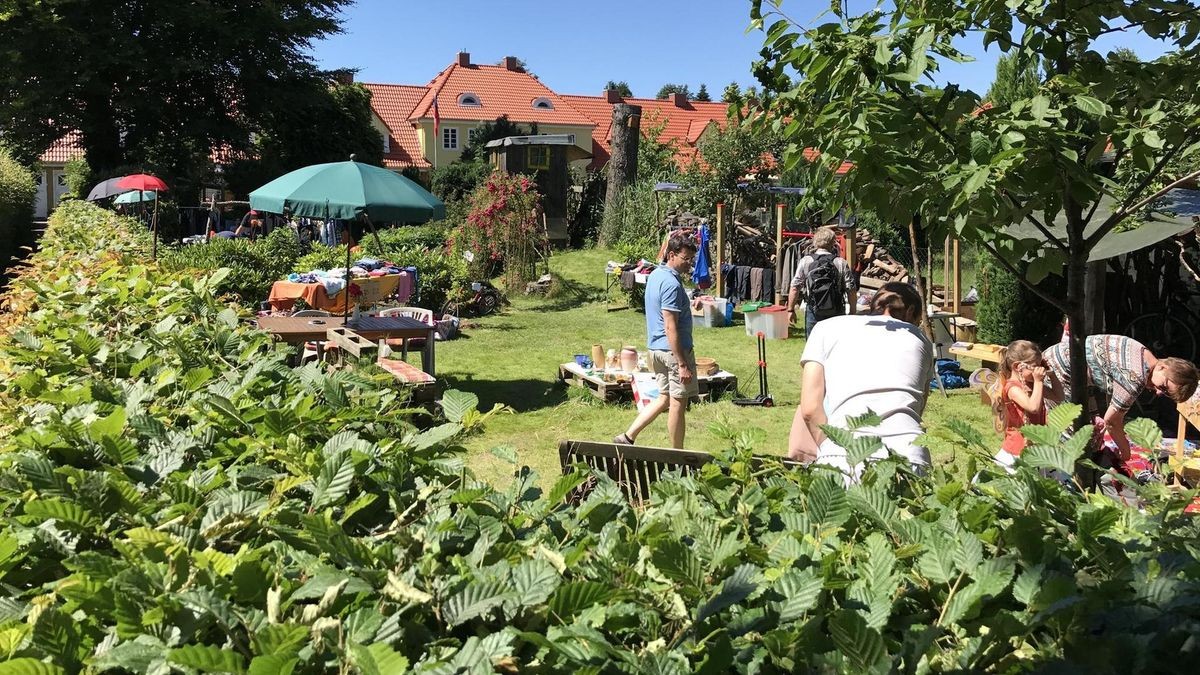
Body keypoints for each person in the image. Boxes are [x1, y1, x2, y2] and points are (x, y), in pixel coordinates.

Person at [788, 282, 932, 475]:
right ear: (911, 311)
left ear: (873, 306)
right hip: (909, 453)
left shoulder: (825, 328)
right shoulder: (921, 340)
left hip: (844, 453)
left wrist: (832, 447)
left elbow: (809, 409)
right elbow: (918, 407)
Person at [1045, 330, 1198, 461]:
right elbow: (1111, 421)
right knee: (1075, 441)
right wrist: (1126, 453)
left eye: (1165, 393)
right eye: (1164, 387)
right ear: (1163, 367)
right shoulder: (1136, 377)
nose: (1158, 392)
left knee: (1092, 432)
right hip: (1058, 373)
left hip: (1065, 364)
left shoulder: (1143, 353)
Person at [614, 235, 702, 449]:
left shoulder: (656, 275)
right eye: (686, 258)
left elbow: (666, 310)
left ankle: (627, 437)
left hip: (655, 349)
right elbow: (670, 325)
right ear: (671, 255)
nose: (689, 263)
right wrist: (682, 364)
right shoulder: (671, 283)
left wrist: (689, 303)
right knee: (678, 403)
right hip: (673, 352)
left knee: (663, 398)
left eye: (691, 258)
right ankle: (676, 456)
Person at [992, 340, 1064, 471]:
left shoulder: (1031, 384)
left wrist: (1051, 374)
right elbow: (1033, 407)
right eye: (1034, 366)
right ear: (1017, 366)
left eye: (1040, 365)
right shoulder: (1012, 387)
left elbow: (1059, 397)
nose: (1038, 370)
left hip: (1037, 444)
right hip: (1019, 447)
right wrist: (1038, 381)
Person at [785, 226, 856, 336]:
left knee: (813, 346)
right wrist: (852, 311)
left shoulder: (806, 261)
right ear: (833, 242)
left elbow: (795, 286)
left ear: (815, 242)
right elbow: (851, 289)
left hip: (813, 309)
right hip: (836, 310)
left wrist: (790, 310)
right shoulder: (840, 262)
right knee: (834, 346)